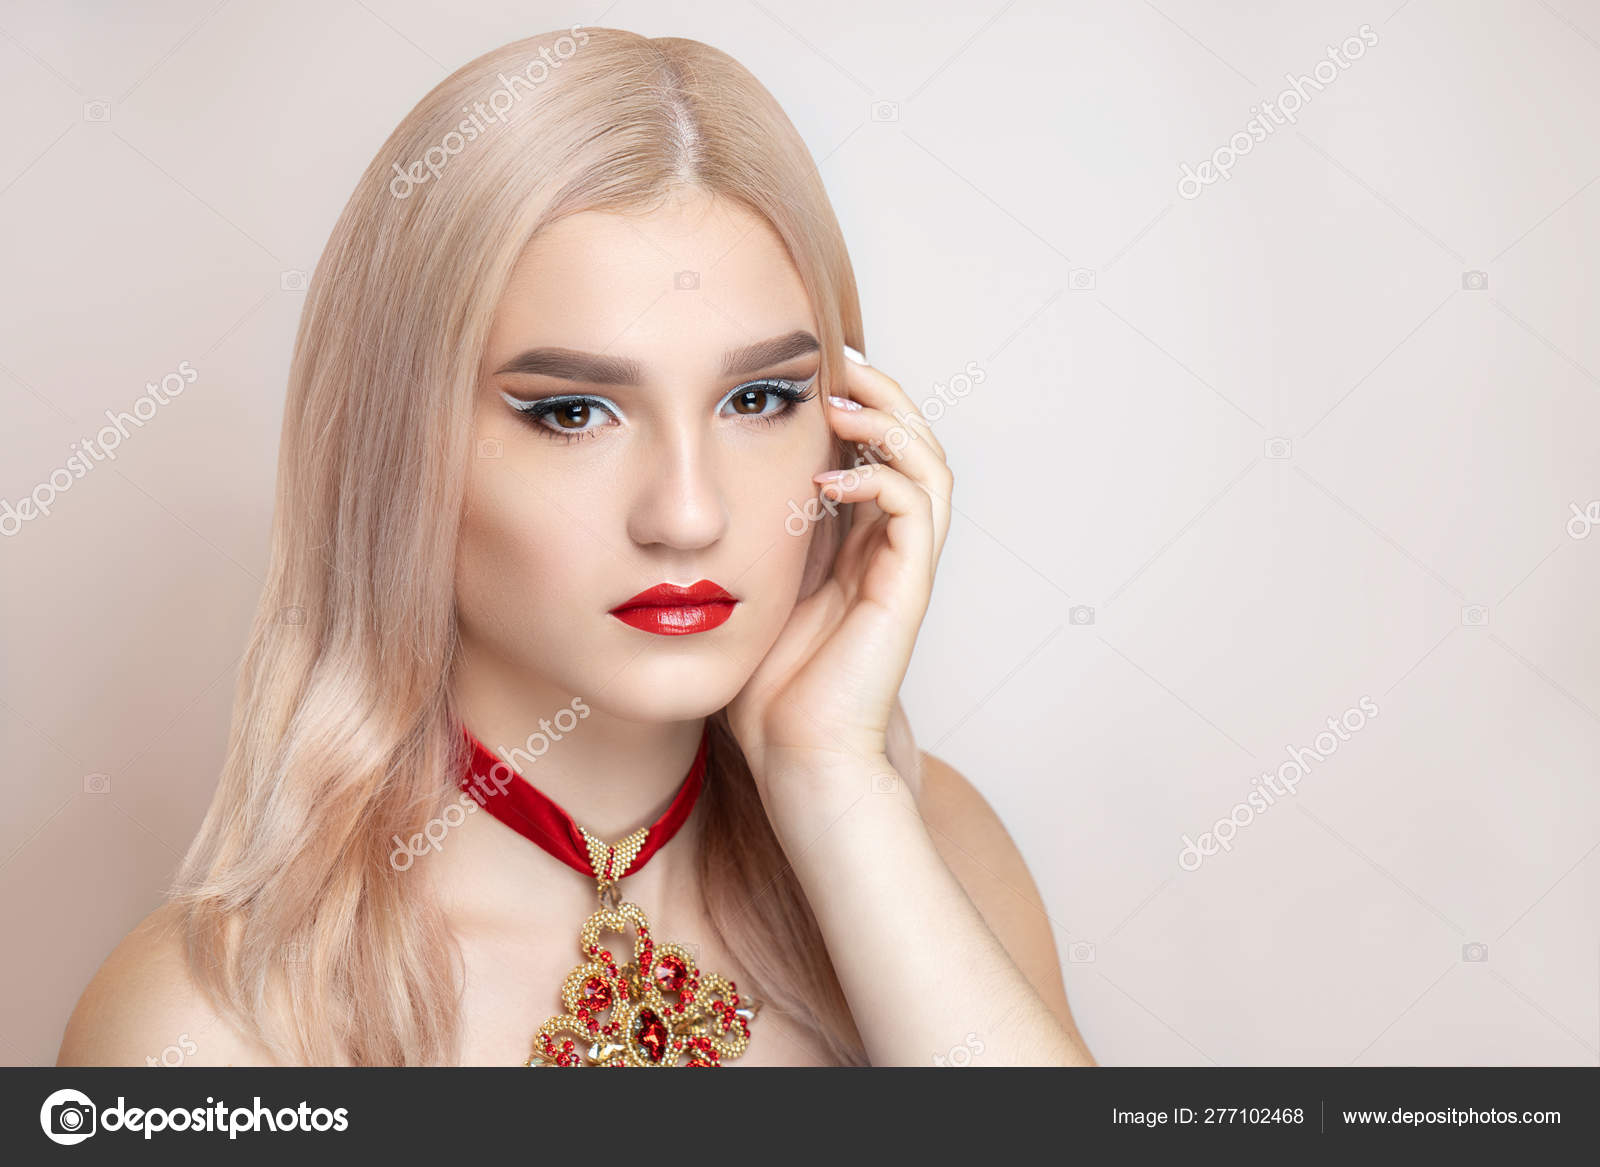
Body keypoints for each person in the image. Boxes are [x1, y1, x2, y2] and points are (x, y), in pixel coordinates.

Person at [57, 26, 1093, 1068]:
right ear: (399, 451)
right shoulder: (208, 1028)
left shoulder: (927, 851)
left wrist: (832, 785)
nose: (687, 516)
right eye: (572, 413)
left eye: (759, 398)